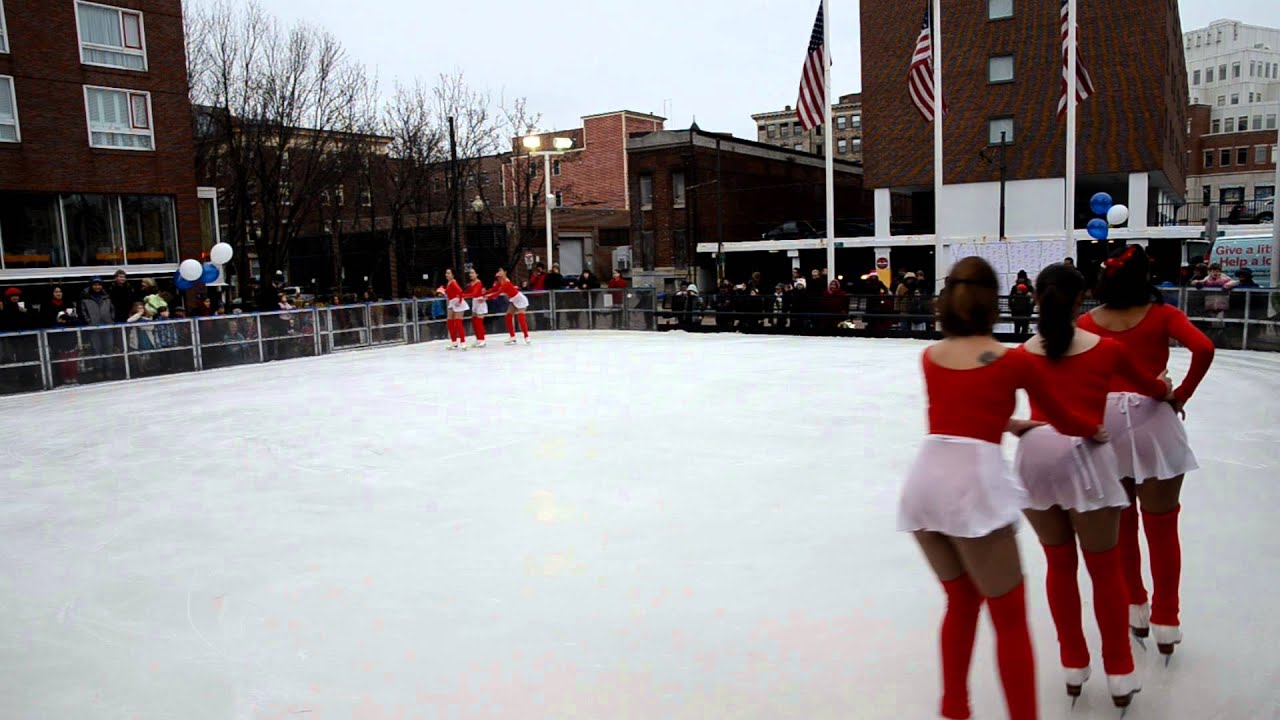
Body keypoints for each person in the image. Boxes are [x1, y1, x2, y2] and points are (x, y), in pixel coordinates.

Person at [898, 256, 1104, 720]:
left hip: (925, 486)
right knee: (1009, 616)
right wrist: (1094, 429)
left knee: (961, 600)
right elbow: (1064, 417)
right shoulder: (1012, 361)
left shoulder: (929, 357)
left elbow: (961, 411)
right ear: (995, 303)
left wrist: (1008, 423)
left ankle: (954, 708)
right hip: (972, 489)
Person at [1012, 264, 1171, 709]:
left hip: (1036, 459)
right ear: (1082, 301)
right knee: (1104, 571)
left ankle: (1072, 664)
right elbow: (1151, 390)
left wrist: (1024, 424)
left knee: (1058, 565)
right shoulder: (1108, 349)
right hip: (1087, 456)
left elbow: (989, 411)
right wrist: (1169, 389)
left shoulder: (1020, 354)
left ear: (1037, 300)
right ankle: (1119, 671)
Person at [1077, 244, 1216, 663]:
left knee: (1122, 522)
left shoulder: (1088, 322)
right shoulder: (1163, 315)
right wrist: (1181, 394)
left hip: (1108, 425)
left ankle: (1135, 605)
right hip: (1154, 419)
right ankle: (1167, 619)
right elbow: (1204, 348)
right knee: (1162, 525)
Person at [485, 268, 532, 344]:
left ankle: (526, 336)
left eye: (501, 271)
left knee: (521, 318)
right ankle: (512, 337)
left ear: (505, 272)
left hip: (520, 299)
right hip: (513, 300)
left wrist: (487, 297)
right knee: (508, 316)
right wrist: (483, 294)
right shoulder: (501, 282)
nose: (499, 272)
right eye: (498, 271)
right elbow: (494, 289)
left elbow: (498, 293)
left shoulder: (507, 282)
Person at [440, 269, 469, 350]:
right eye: (446, 273)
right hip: (452, 303)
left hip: (457, 302)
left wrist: (459, 301)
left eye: (449, 273)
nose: (447, 275)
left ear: (453, 275)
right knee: (450, 322)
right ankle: (454, 342)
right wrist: (442, 290)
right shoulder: (449, 283)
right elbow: (449, 293)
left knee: (458, 322)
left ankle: (463, 342)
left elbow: (460, 291)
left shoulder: (453, 282)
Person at [464, 268, 489, 348]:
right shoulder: (471, 283)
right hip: (475, 302)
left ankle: (482, 339)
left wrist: (462, 296)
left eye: (472, 273)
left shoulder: (478, 283)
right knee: (474, 321)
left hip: (480, 301)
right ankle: (478, 339)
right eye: (470, 273)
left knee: (479, 322)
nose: (470, 275)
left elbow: (474, 293)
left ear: (477, 274)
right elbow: (467, 292)